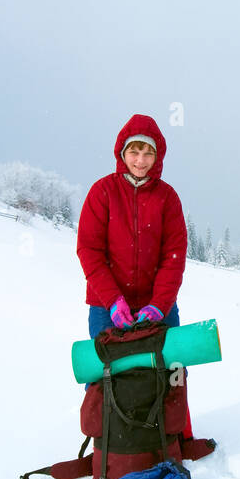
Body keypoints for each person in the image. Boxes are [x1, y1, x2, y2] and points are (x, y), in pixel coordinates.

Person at [77, 114, 187, 389]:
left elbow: (173, 257)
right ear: (122, 152)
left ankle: (176, 433)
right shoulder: (102, 192)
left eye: (148, 153)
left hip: (157, 306)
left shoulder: (167, 197)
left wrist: (159, 305)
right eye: (135, 151)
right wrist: (113, 300)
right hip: (107, 307)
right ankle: (105, 432)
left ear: (157, 155)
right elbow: (89, 251)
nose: (141, 160)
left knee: (172, 374)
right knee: (105, 374)